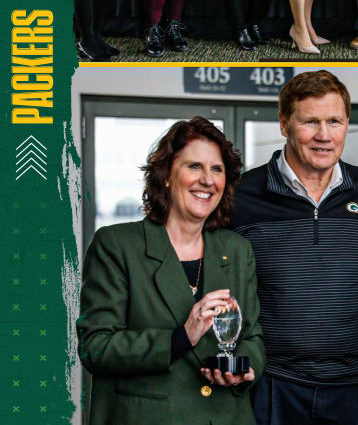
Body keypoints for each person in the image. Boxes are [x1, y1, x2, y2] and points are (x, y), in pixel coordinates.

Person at [230, 70, 358, 425]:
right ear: (284, 124)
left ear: (346, 124)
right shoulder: (241, 196)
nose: (324, 135)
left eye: (334, 121)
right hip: (270, 384)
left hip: (354, 385)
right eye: (310, 121)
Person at [78, 117, 264, 425]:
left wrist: (245, 371)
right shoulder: (117, 245)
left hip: (225, 416)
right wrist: (180, 337)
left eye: (216, 169)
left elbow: (252, 337)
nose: (207, 180)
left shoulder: (237, 248)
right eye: (194, 167)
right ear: (166, 176)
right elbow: (96, 348)